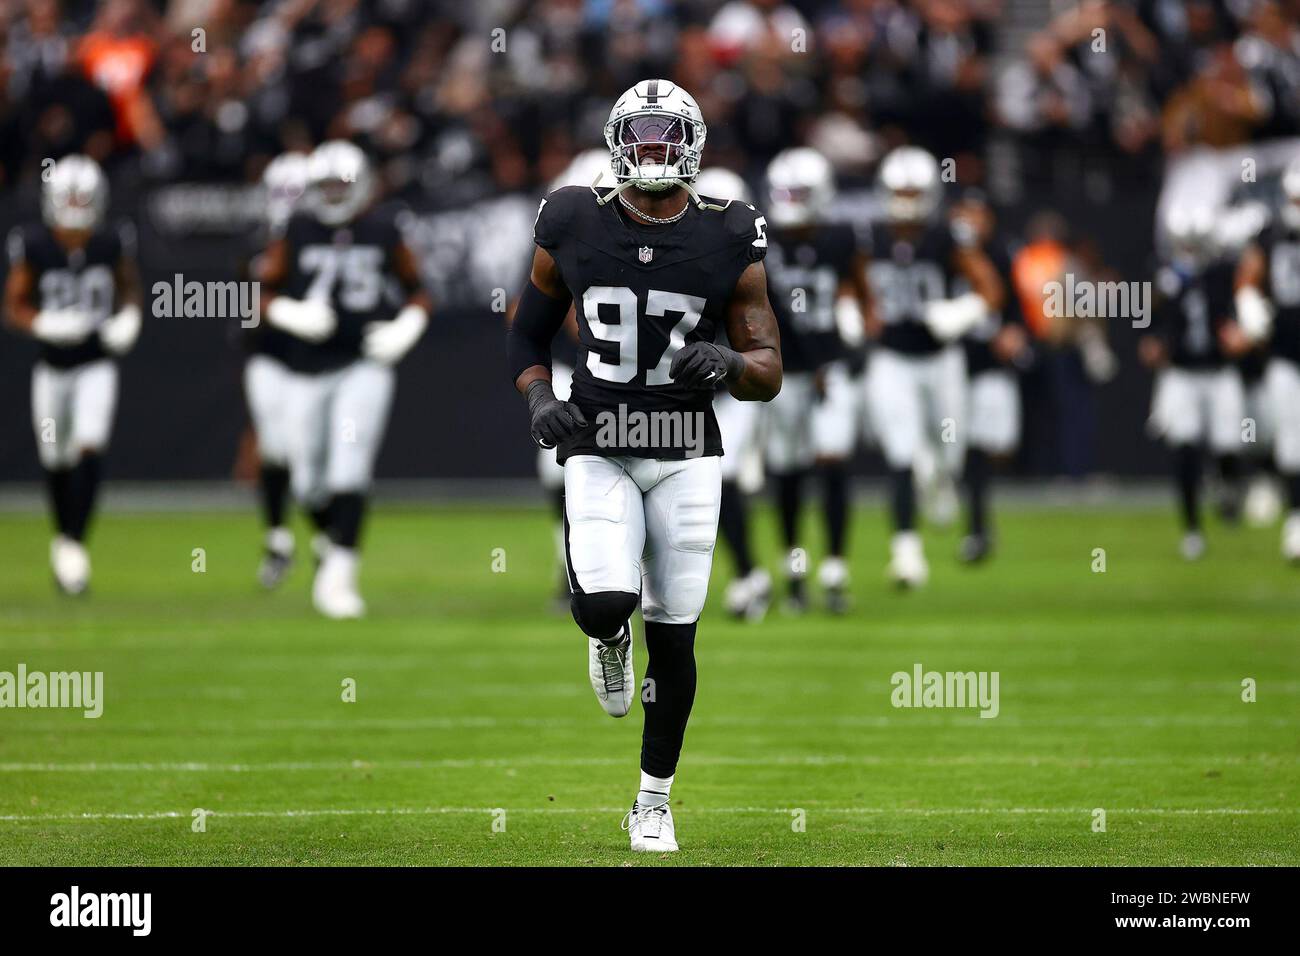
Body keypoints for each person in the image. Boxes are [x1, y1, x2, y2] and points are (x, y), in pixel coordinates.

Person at [506, 79, 781, 852]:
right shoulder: (571, 217)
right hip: (598, 434)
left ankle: (652, 800)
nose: (653, 150)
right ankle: (605, 639)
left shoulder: (730, 233)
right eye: (642, 134)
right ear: (616, 140)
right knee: (603, 602)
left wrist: (725, 360)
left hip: (688, 449)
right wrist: (536, 399)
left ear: (691, 144)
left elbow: (768, 371)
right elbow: (525, 337)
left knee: (679, 635)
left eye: (667, 136)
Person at [256, 140, 432, 617]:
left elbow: (418, 291)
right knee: (307, 482)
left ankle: (341, 576)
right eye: (325, 186)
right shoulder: (296, 227)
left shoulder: (382, 228)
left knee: (348, 469)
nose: (333, 195)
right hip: (303, 369)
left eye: (341, 186)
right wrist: (289, 312)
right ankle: (332, 546)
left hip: (363, 363)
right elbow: (262, 293)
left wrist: (406, 328)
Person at [863, 146, 1003, 587]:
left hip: (940, 358)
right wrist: (859, 312)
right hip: (892, 358)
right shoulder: (871, 237)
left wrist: (960, 313)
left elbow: (990, 288)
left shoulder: (945, 238)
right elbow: (853, 285)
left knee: (950, 450)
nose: (904, 200)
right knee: (900, 454)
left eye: (912, 191)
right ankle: (906, 553)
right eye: (898, 191)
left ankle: (941, 477)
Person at [3, 154, 141, 595]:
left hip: (95, 364)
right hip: (52, 368)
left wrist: (130, 318)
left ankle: (76, 545)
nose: (78, 207)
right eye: (71, 198)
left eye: (85, 198)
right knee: (56, 458)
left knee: (89, 444)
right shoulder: (34, 243)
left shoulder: (111, 240)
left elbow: (129, 288)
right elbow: (14, 304)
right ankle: (64, 538)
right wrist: (43, 323)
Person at [761, 148, 869, 612]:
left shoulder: (841, 238)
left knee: (833, 460)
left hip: (830, 367)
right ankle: (795, 570)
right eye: (785, 192)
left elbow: (861, 291)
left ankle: (835, 569)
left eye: (798, 193)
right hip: (784, 371)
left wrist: (853, 327)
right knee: (787, 471)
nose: (790, 201)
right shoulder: (761, 240)